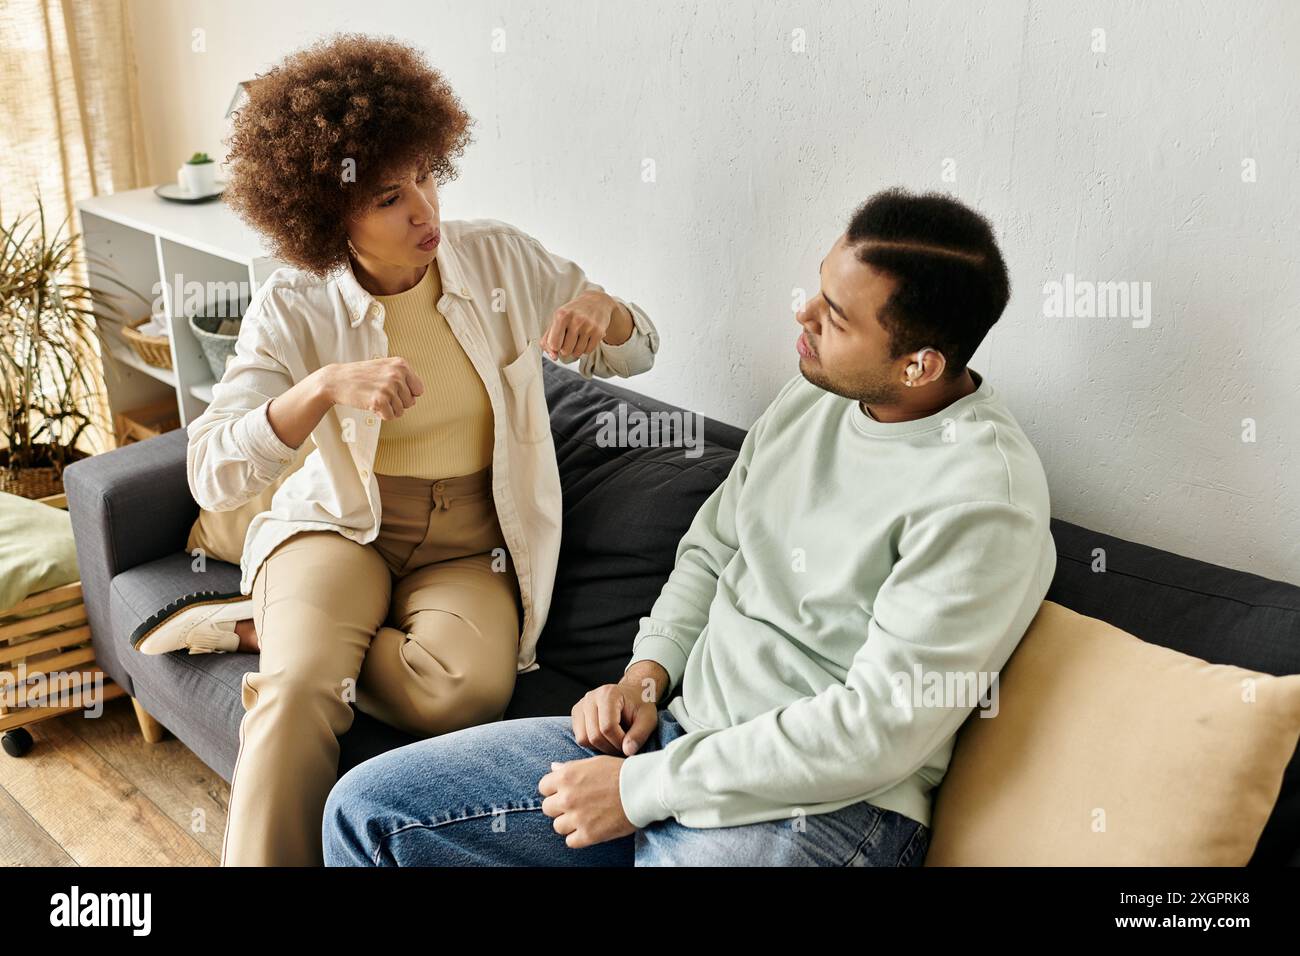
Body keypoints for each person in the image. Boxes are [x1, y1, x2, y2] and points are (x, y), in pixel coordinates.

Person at [322, 187, 1057, 867]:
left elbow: (876, 734)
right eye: (819, 288)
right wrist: (647, 673)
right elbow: (713, 548)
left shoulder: (983, 498)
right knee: (369, 811)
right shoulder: (814, 399)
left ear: (919, 364)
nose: (803, 316)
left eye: (834, 318)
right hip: (675, 740)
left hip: (825, 807)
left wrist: (642, 793)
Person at [134, 33, 660, 867]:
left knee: (464, 691)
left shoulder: (498, 259)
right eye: (387, 196)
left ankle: (264, 624)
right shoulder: (294, 306)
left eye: (424, 175)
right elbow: (213, 467)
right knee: (301, 688)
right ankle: (294, 636)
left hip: (469, 544)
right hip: (338, 526)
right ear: (323, 214)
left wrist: (606, 308)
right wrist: (319, 391)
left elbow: (637, 350)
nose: (425, 211)